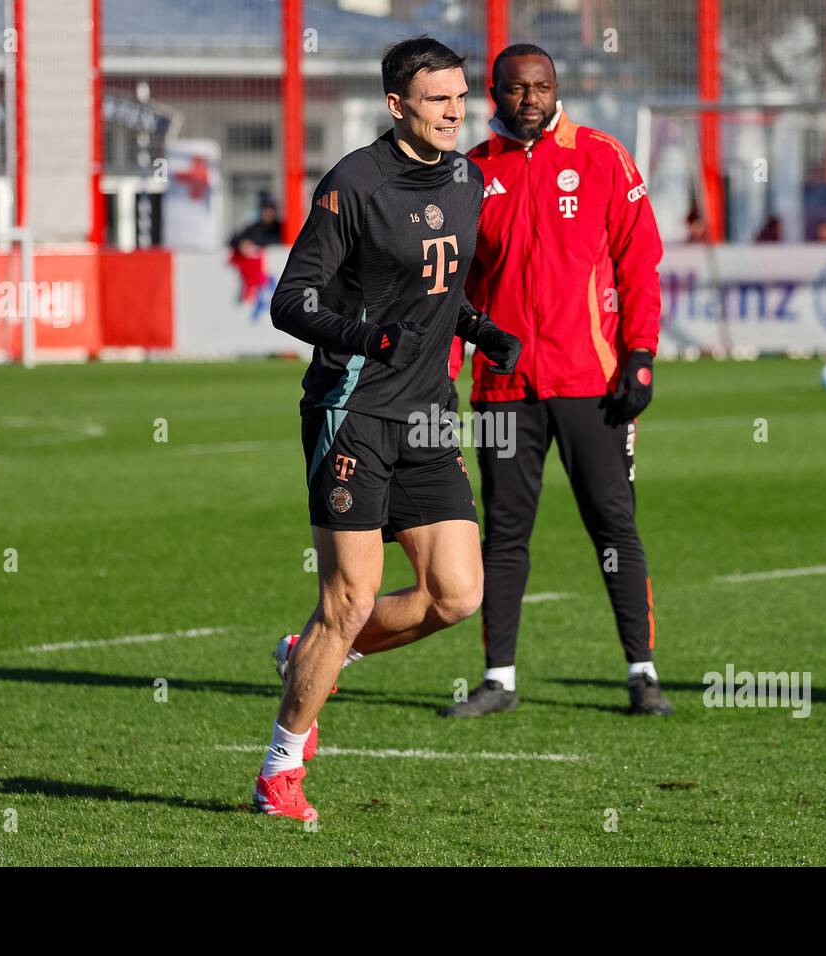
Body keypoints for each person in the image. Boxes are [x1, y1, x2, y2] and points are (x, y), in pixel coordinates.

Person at [259, 36, 521, 821]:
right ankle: (279, 771)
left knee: (458, 595)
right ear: (397, 104)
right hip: (354, 411)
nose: (456, 110)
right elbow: (291, 302)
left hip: (431, 413)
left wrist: (476, 328)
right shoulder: (355, 184)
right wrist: (369, 338)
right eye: (438, 99)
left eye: (461, 96)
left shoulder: (470, 179)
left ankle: (309, 657)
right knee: (350, 596)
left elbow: (429, 291)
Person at [445, 43, 672, 718]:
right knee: (505, 534)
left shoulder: (603, 157)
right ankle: (499, 680)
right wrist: (447, 373)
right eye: (517, 89)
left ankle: (642, 673)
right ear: (495, 94)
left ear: (557, 88)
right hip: (503, 387)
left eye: (541, 86)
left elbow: (641, 265)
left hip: (590, 382)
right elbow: (453, 289)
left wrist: (640, 354)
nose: (531, 98)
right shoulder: (470, 174)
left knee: (613, 524)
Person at [228, 195, 283, 302]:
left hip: (276, 274)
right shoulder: (254, 228)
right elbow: (233, 239)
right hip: (258, 277)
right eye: (265, 209)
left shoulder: (280, 228)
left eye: (271, 209)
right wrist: (242, 243)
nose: (268, 212)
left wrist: (257, 245)